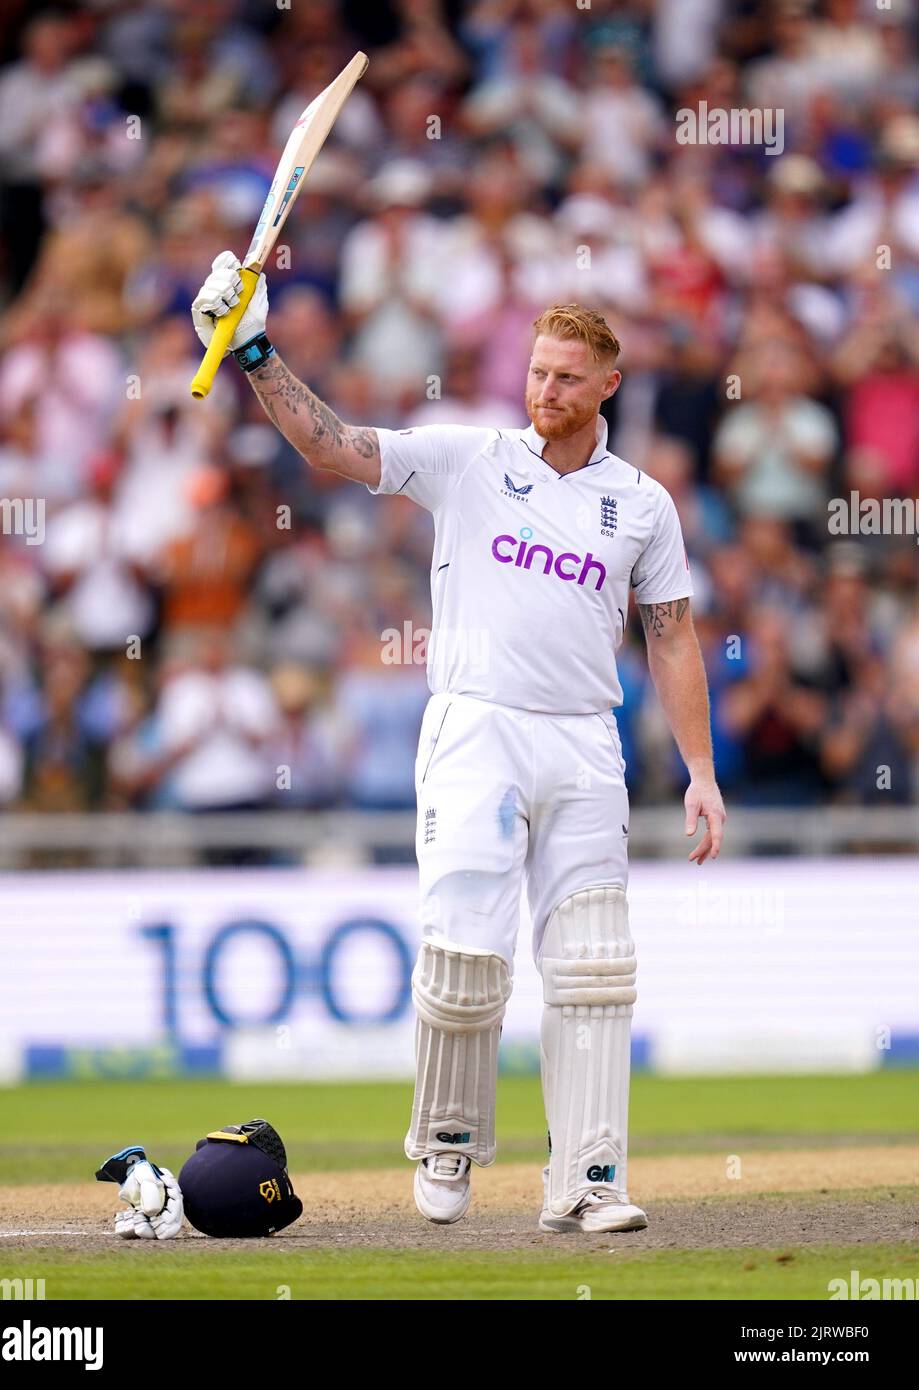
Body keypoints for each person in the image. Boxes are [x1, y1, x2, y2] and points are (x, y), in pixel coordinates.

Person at [191, 252, 727, 1235]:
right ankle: (447, 1142)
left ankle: (587, 1176)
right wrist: (255, 351)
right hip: (476, 727)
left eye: (567, 376)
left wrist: (699, 770)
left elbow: (673, 634)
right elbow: (336, 448)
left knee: (594, 964)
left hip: (584, 741)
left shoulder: (641, 504)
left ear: (609, 384)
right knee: (466, 956)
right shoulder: (472, 459)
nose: (545, 390)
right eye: (536, 371)